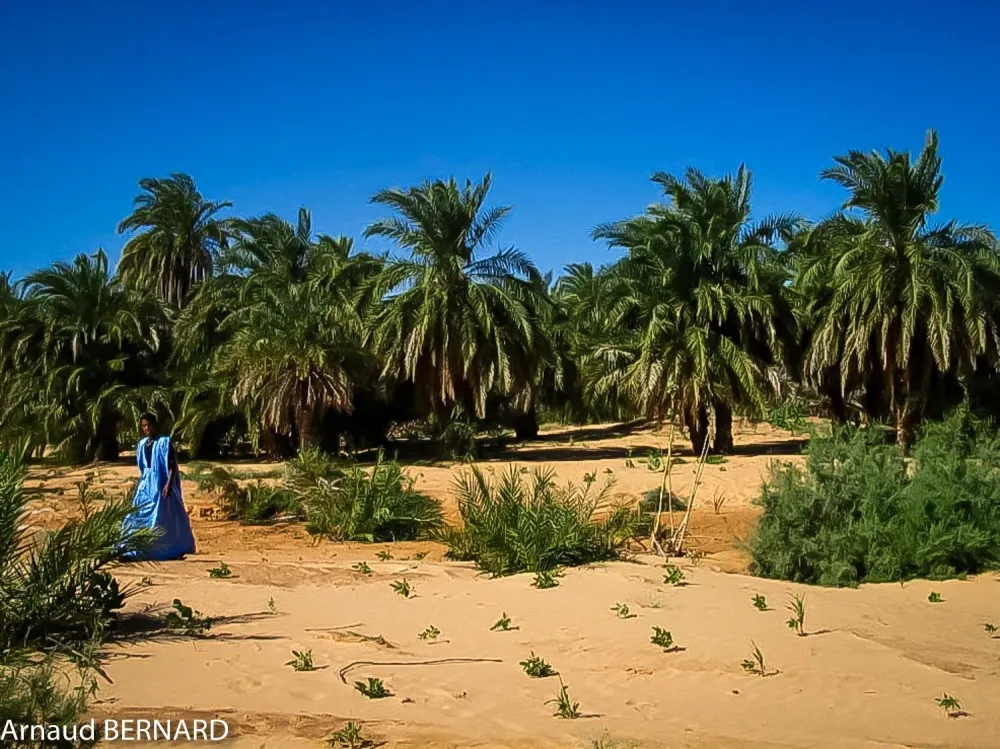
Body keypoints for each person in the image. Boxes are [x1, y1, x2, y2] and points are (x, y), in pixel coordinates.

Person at [122, 413, 196, 560]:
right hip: (146, 486)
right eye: (144, 425)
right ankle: (131, 547)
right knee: (136, 515)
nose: (147, 428)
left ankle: (161, 550)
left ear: (155, 425)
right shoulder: (142, 445)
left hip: (161, 485)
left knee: (161, 518)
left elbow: (172, 466)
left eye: (149, 424)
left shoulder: (164, 443)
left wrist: (168, 484)